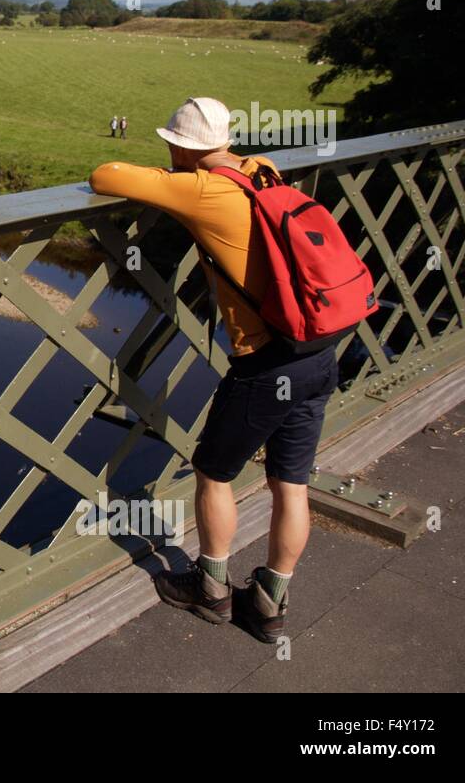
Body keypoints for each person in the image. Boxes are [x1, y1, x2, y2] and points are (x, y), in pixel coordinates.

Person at [88, 96, 338, 644]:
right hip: (319, 351)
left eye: (171, 143)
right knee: (290, 485)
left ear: (183, 146)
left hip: (267, 364)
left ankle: (212, 589)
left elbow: (105, 175)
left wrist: (167, 172)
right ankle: (270, 604)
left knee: (214, 472)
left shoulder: (199, 188)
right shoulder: (260, 172)